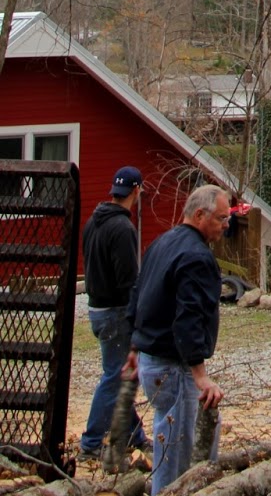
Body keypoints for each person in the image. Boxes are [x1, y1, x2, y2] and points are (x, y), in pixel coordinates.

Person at [124, 185, 229, 495]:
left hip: (152, 361)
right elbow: (188, 317)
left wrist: (134, 347)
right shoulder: (196, 256)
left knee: (172, 442)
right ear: (199, 215)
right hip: (174, 366)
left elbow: (137, 296)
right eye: (221, 218)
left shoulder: (162, 242)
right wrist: (199, 373)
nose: (226, 224)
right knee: (177, 458)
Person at [80, 166, 148, 461]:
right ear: (137, 190)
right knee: (114, 377)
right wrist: (137, 315)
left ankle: (135, 435)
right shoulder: (122, 228)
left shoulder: (93, 222)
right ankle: (91, 442)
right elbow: (128, 280)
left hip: (96, 307)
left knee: (123, 374)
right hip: (115, 312)